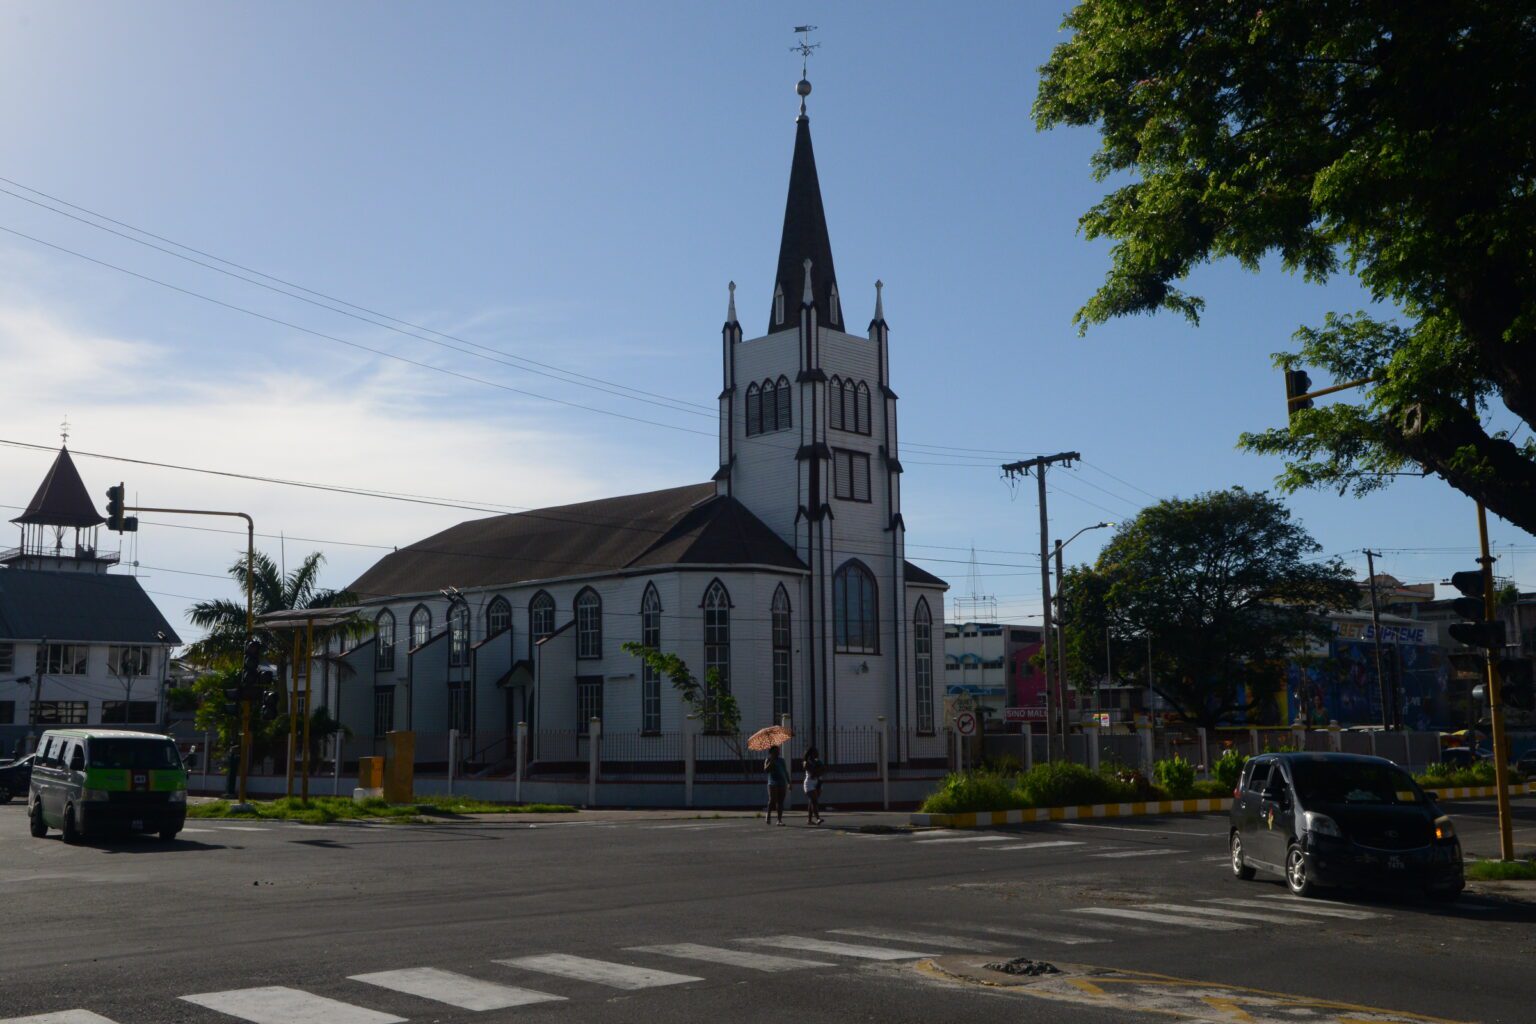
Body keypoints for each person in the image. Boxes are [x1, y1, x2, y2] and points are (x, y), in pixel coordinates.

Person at [763, 745, 789, 825]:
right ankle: (768, 814)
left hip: (782, 782)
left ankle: (779, 820)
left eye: (778, 751)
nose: (778, 752)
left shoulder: (781, 760)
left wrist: (789, 782)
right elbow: (766, 770)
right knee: (772, 800)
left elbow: (785, 771)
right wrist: (771, 761)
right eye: (776, 751)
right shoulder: (768, 759)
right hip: (772, 782)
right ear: (771, 752)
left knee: (780, 801)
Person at [803, 745, 824, 825]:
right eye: (815, 752)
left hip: (818, 782)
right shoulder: (806, 762)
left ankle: (809, 820)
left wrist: (819, 770)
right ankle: (818, 818)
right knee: (814, 801)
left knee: (812, 802)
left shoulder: (818, 761)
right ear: (811, 753)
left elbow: (823, 770)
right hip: (809, 784)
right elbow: (813, 774)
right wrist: (819, 770)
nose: (817, 753)